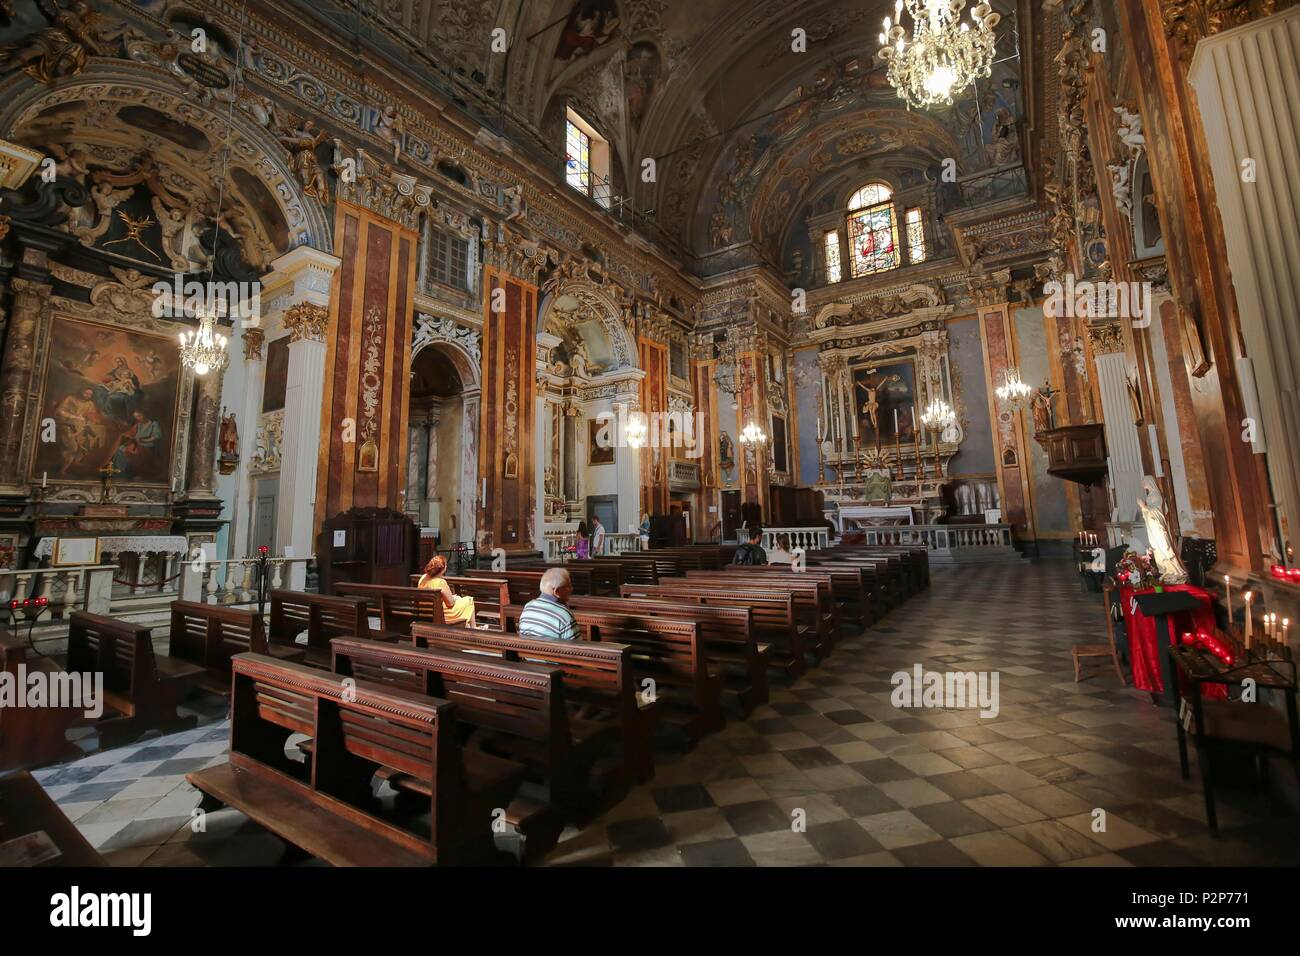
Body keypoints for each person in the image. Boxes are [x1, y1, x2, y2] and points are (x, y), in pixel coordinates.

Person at [517, 567, 579, 641]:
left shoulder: (528, 607)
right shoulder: (564, 615)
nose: (571, 589)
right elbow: (576, 646)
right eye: (568, 586)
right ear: (557, 591)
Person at [416, 554, 476, 626]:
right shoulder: (440, 582)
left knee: (460, 600)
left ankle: (467, 626)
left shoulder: (423, 578)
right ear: (443, 569)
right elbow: (450, 604)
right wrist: (454, 598)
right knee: (469, 600)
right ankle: (473, 628)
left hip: (425, 611)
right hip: (439, 614)